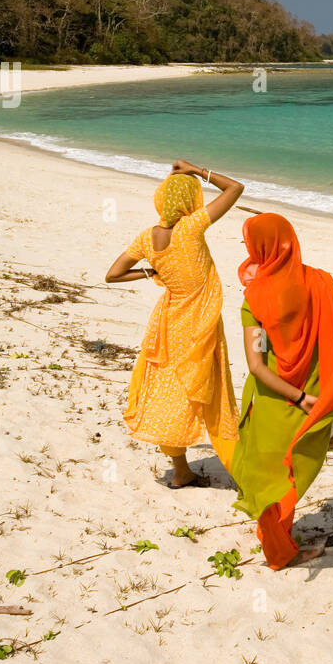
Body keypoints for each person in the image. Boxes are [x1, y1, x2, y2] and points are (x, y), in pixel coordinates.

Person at [105, 159, 243, 487]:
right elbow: (235, 188)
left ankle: (181, 471)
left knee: (173, 395)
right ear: (188, 201)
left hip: (168, 324)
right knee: (216, 395)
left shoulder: (146, 239)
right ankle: (241, 472)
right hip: (200, 324)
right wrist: (197, 170)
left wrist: (150, 272)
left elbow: (113, 275)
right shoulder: (191, 226)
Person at [232, 211, 333, 568]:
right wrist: (332, 395)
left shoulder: (255, 298)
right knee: (292, 470)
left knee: (270, 472)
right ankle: (280, 547)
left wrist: (293, 395)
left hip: (273, 397)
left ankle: (277, 544)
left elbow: (256, 365)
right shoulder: (322, 283)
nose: (245, 246)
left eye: (249, 241)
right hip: (313, 394)